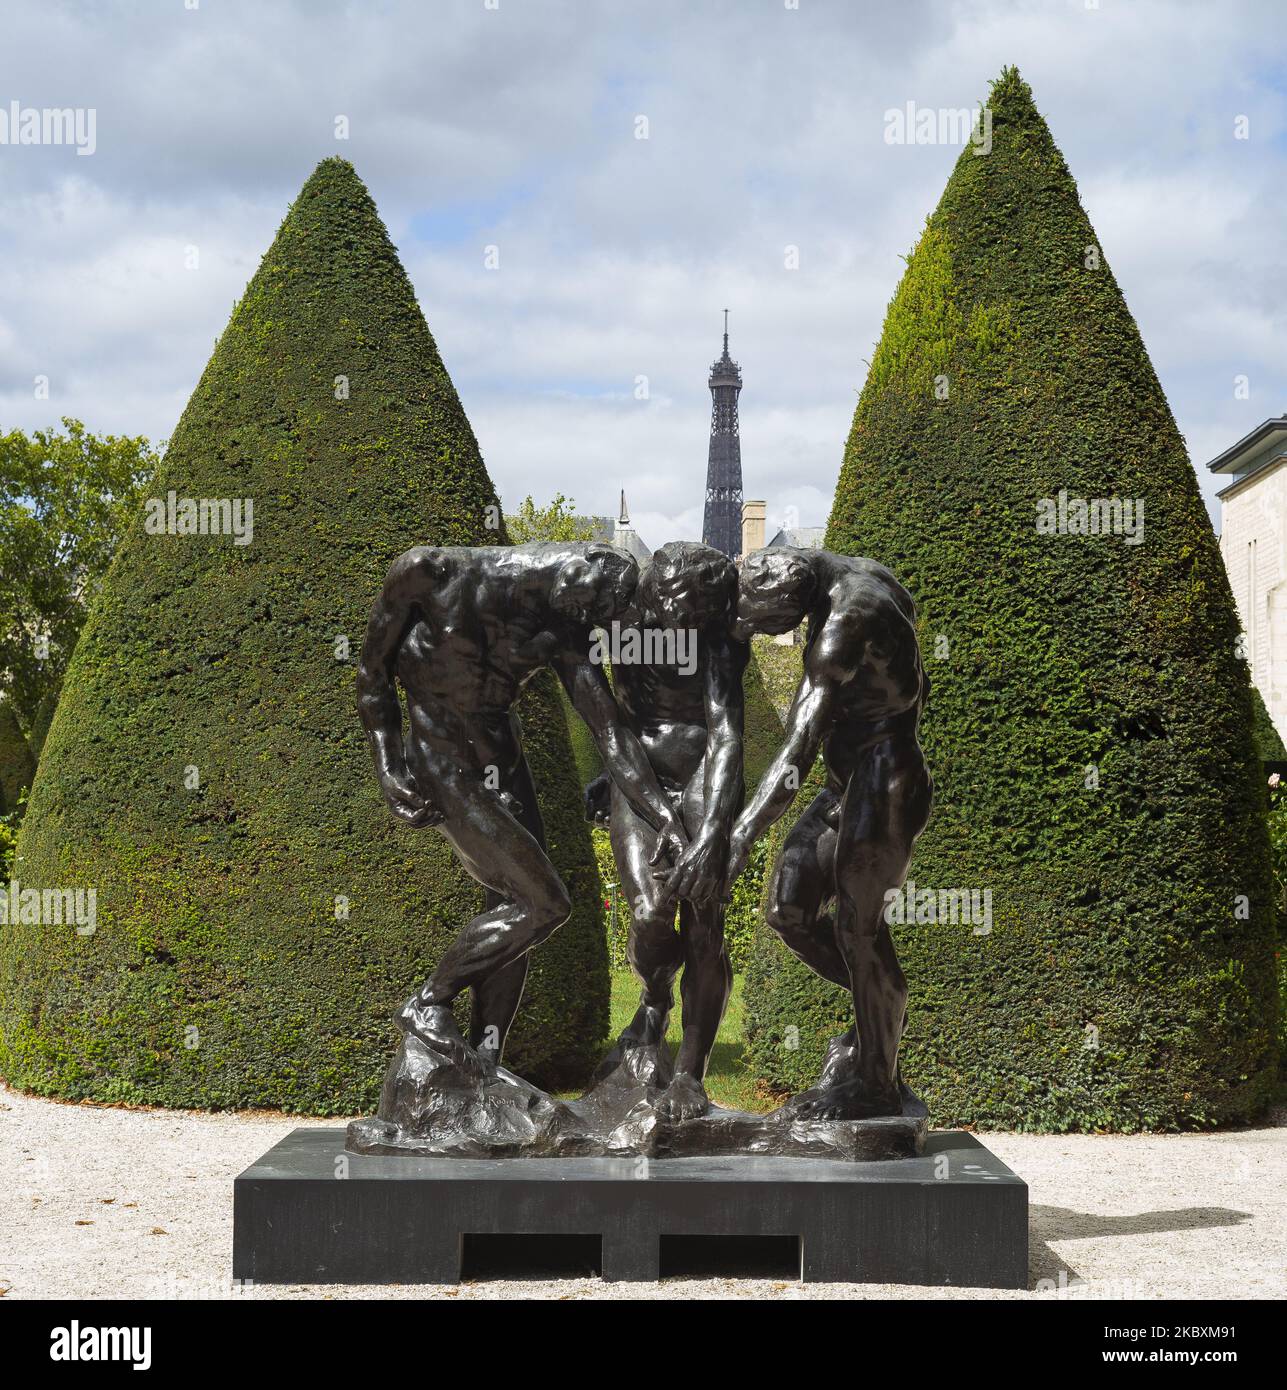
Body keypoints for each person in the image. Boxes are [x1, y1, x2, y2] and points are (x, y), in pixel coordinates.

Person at [357, 542, 688, 1067]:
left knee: (509, 908)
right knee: (543, 903)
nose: (584, 621)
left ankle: (486, 1063)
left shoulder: (561, 626)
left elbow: (608, 730)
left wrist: (663, 814)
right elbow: (372, 672)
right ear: (576, 564)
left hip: (502, 763)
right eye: (587, 607)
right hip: (440, 760)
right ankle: (429, 1002)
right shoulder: (430, 572)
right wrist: (388, 764)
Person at [725, 547, 932, 1119]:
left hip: (886, 778)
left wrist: (738, 837)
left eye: (763, 626)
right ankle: (879, 1018)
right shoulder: (851, 574)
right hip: (848, 782)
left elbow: (798, 744)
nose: (758, 636)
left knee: (858, 931)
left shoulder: (843, 623)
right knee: (787, 911)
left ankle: (876, 1083)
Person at [585, 542, 747, 1119]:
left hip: (702, 769)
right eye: (674, 605)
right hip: (639, 771)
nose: (683, 619)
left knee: (706, 924)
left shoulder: (719, 631)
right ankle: (653, 1001)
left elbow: (727, 733)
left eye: (694, 610)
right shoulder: (616, 618)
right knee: (651, 912)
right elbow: (609, 723)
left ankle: (691, 1074)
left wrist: (711, 834)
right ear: (653, 590)